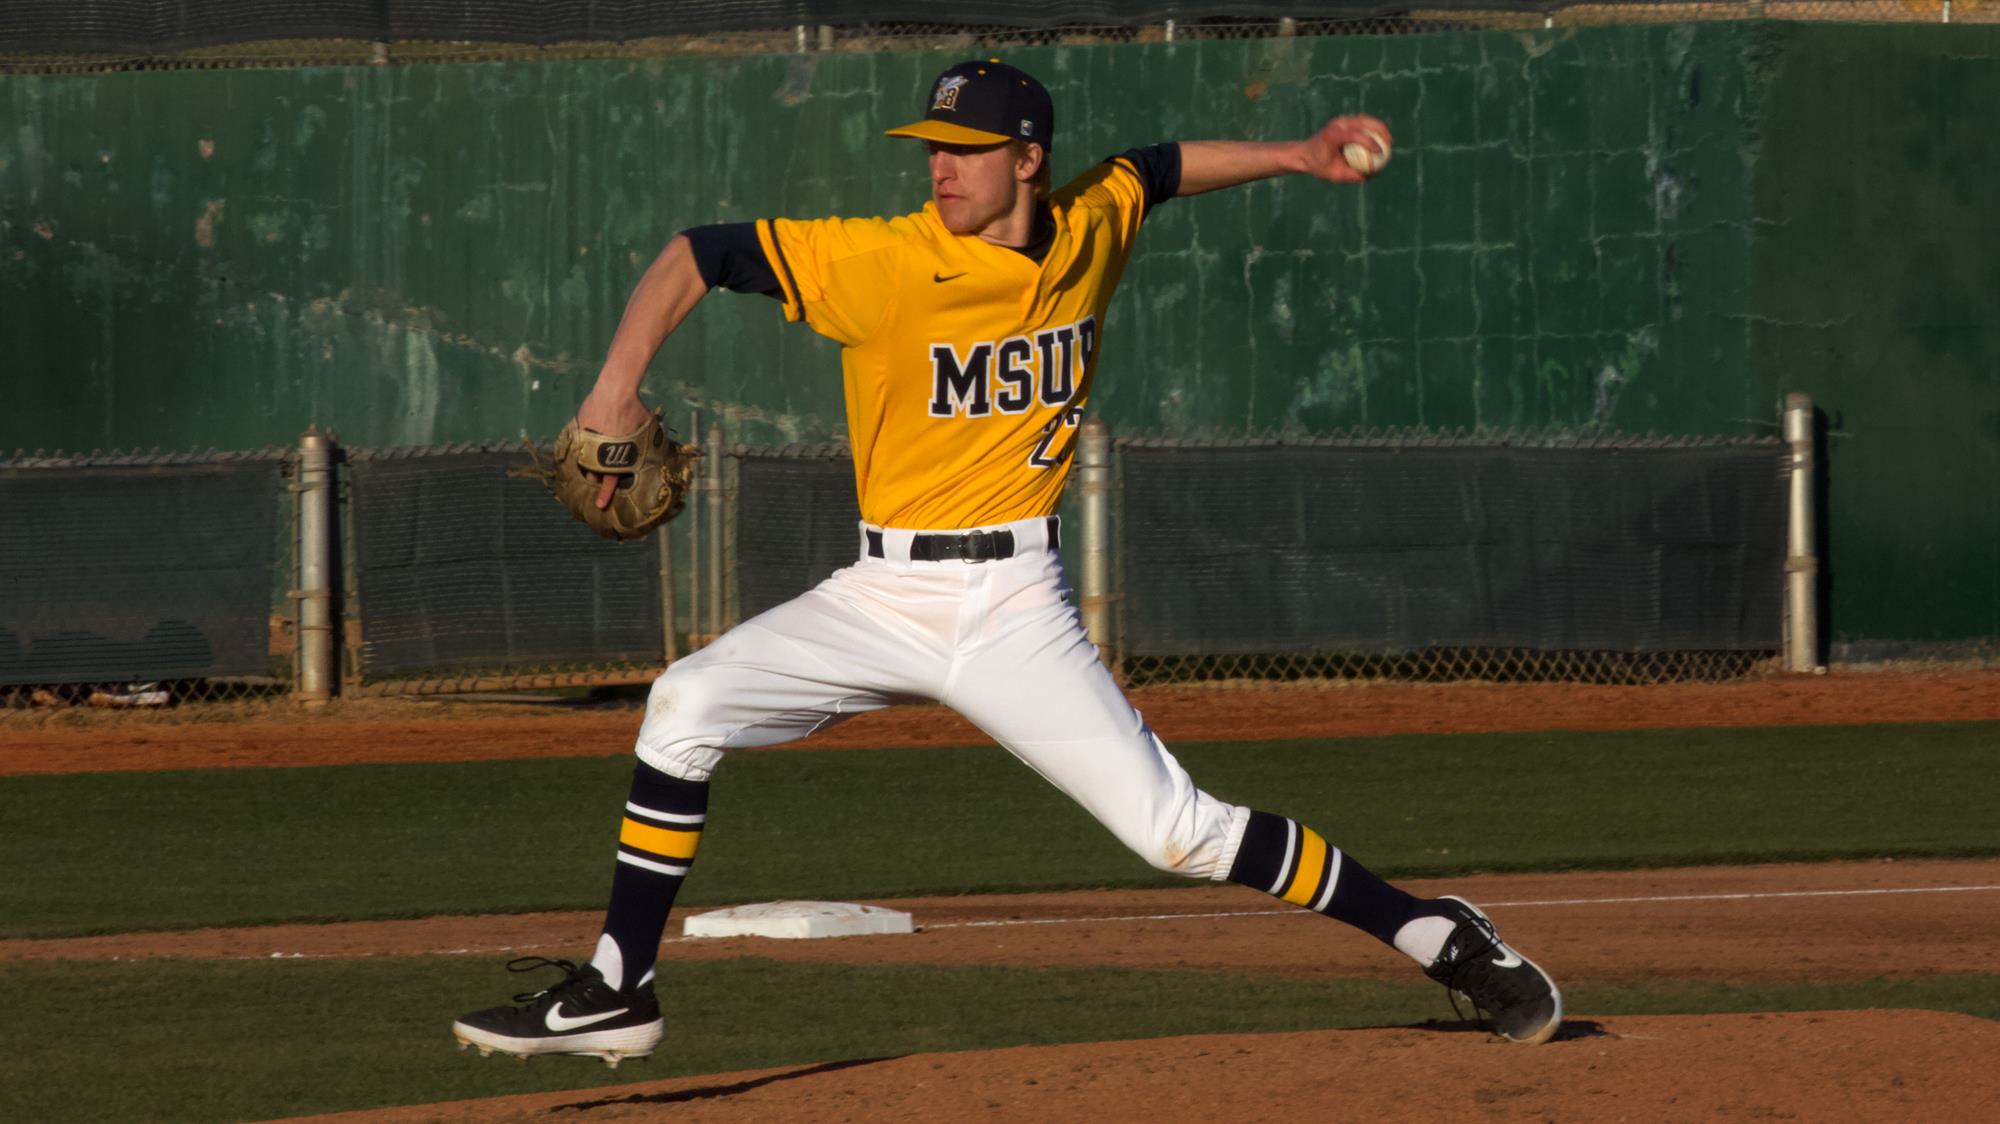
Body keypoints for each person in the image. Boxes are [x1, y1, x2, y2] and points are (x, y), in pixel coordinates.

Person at [451, 59, 1561, 1066]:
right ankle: (617, 983)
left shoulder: (1087, 225)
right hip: (882, 591)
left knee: (1178, 832)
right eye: (931, 148)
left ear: (1028, 160)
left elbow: (1154, 168)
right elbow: (695, 254)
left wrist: (1296, 154)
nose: (939, 168)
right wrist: (610, 386)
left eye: (964, 151)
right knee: (683, 701)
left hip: (1013, 603)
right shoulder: (881, 260)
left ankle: (1433, 930)